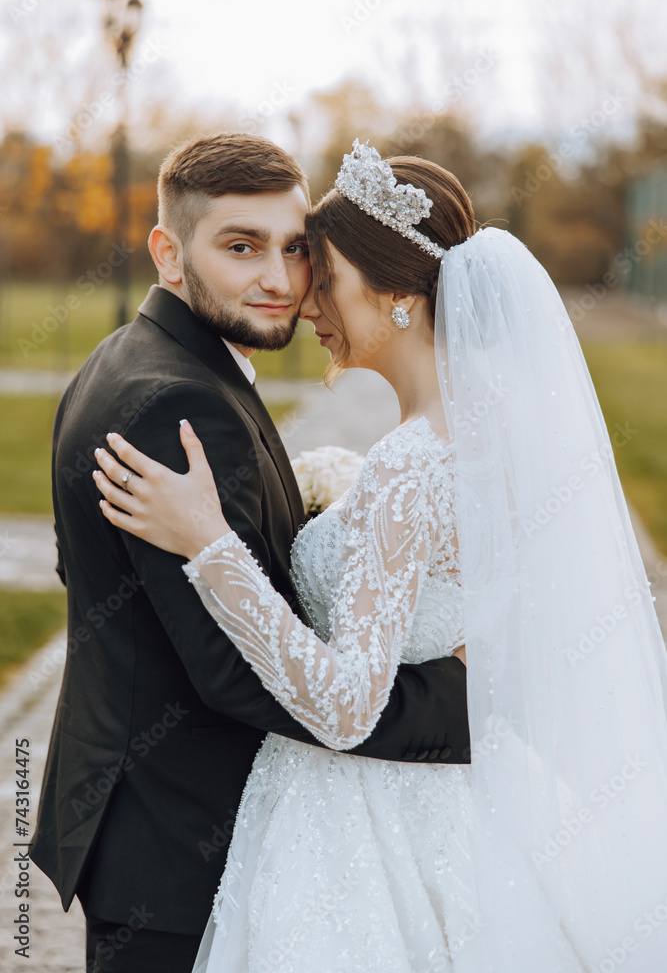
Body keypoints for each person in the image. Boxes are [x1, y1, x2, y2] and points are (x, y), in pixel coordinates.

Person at [94, 140, 667, 972]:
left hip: (360, 822)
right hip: (464, 804)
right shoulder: (481, 436)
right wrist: (341, 487)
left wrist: (211, 545)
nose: (304, 300)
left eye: (323, 277)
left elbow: (343, 709)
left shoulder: (412, 462)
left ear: (396, 292)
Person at [29, 134, 470, 973]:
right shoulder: (177, 405)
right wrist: (460, 705)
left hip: (151, 820)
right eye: (241, 247)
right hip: (178, 843)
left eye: (296, 248)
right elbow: (231, 672)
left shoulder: (136, 359)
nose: (281, 279)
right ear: (167, 253)